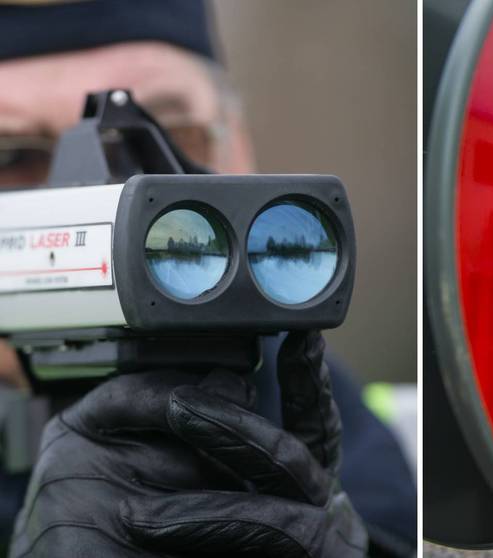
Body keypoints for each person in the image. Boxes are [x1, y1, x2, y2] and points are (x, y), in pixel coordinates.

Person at [0, 1, 416, 556]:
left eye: (163, 137)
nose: (113, 193)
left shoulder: (422, 453)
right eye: (11, 156)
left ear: (240, 149)